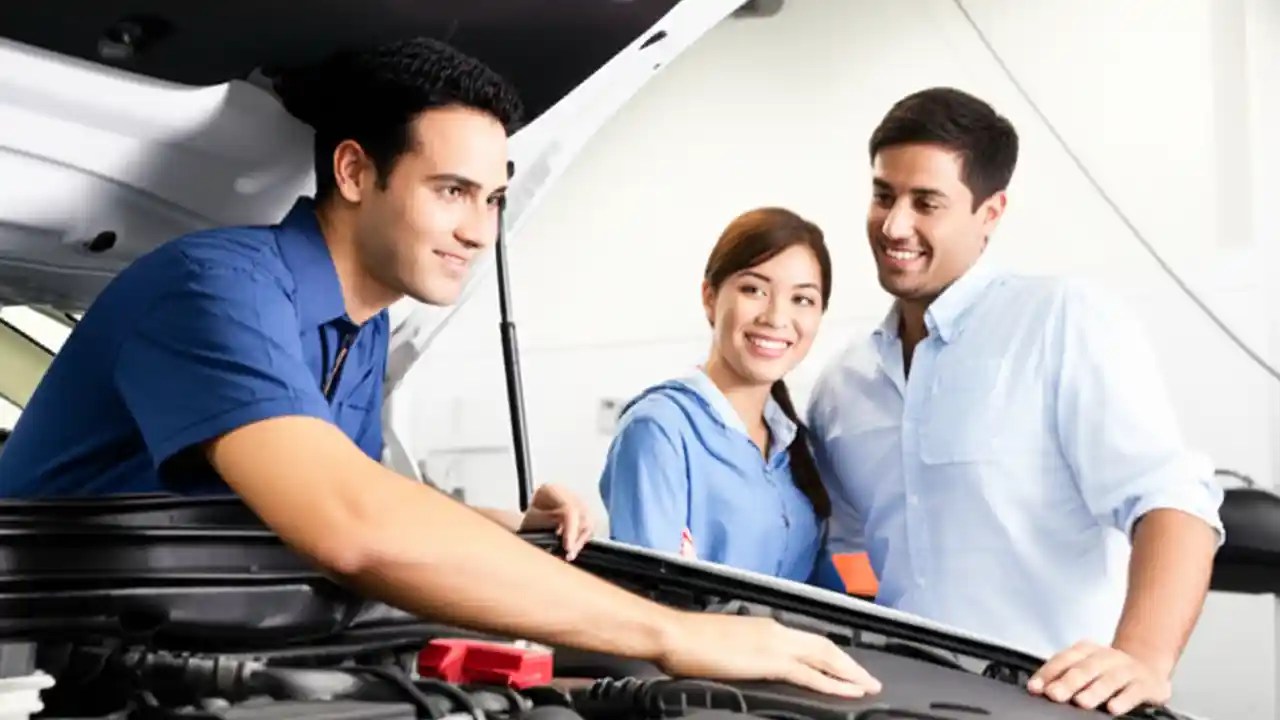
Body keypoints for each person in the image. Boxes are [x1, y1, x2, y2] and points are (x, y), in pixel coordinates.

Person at [0, 38, 880, 698]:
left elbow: (346, 492)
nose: (480, 230)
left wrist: (507, 523)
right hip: (44, 670)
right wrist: (673, 635)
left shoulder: (363, 325)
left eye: (493, 198)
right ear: (354, 170)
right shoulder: (214, 288)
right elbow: (351, 525)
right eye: (453, 191)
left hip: (186, 646)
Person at [805, 86, 1223, 715]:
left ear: (991, 212)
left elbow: (1172, 499)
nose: (894, 226)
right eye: (883, 194)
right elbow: (851, 547)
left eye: (927, 202)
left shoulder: (1062, 320)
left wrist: (1142, 656)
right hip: (892, 702)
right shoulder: (841, 382)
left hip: (1047, 703)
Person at [599, 208, 844, 593]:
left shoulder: (800, 446)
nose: (777, 317)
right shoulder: (660, 430)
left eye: (802, 299)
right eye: (754, 290)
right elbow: (648, 603)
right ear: (710, 297)